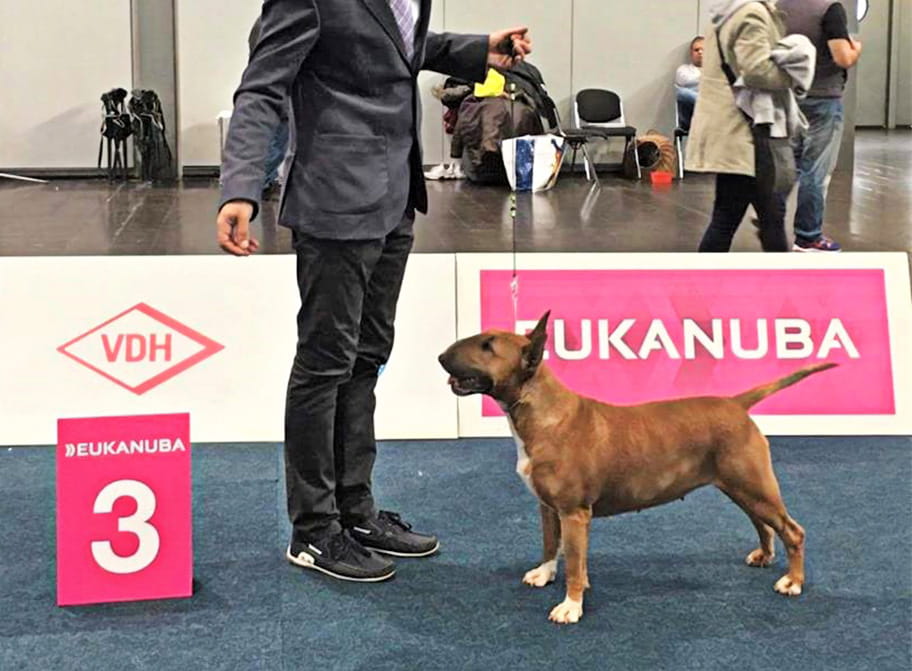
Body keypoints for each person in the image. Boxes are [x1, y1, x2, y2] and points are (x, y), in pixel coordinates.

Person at [216, 0, 531, 583]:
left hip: (394, 200)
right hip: (334, 199)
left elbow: (401, 41)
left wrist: (474, 46)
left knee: (365, 360)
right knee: (324, 365)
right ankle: (312, 530)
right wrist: (240, 185)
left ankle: (354, 511)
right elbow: (260, 89)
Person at [686, 0, 808, 253]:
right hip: (745, 132)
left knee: (751, 214)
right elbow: (756, 70)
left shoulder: (725, 13)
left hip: (734, 130)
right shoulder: (751, 13)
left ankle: (702, 282)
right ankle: (780, 284)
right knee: (753, 215)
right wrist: (797, 75)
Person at [778, 0, 861, 252]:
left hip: (789, 97)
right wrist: (856, 48)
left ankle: (770, 219)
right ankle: (808, 236)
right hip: (823, 98)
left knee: (786, 167)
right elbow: (842, 57)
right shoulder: (829, 9)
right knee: (815, 171)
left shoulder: (779, 7)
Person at [247, 14, 290, 199]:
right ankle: (262, 182)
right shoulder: (275, 21)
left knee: (276, 138)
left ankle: (266, 180)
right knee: (277, 140)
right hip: (278, 88)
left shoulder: (264, 21)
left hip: (273, 87)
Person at [675, 36, 704, 131]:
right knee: (682, 93)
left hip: (711, 117)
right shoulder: (683, 69)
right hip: (690, 118)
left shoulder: (718, 70)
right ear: (691, 53)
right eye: (696, 50)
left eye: (703, 49)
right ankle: (706, 103)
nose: (700, 52)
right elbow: (686, 81)